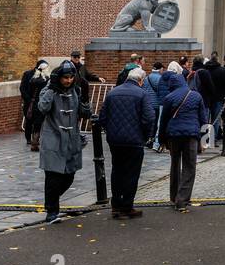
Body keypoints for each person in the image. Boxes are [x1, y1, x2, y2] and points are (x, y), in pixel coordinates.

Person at [36, 60, 91, 223]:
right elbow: (43, 108)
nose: (68, 81)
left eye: (71, 77)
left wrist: (86, 100)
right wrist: (52, 90)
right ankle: (52, 212)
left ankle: (50, 201)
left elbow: (84, 113)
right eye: (65, 77)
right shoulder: (48, 89)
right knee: (53, 177)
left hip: (71, 140)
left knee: (69, 175)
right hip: (53, 139)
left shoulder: (76, 91)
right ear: (58, 77)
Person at [98, 66, 156, 218]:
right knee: (131, 173)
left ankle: (116, 205)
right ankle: (127, 206)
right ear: (141, 80)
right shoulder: (142, 94)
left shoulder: (112, 93)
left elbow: (102, 117)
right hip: (134, 141)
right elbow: (149, 118)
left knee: (117, 171)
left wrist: (111, 130)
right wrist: (146, 135)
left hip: (115, 141)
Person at [157, 68, 211, 212]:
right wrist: (205, 140)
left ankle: (174, 196)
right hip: (191, 136)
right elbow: (203, 119)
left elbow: (163, 121)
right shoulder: (196, 96)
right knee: (189, 166)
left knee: (175, 164)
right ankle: (182, 199)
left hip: (173, 136)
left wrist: (162, 139)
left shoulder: (169, 98)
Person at [19, 59, 49, 151]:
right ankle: (32, 139)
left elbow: (22, 88)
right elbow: (23, 88)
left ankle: (32, 140)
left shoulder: (33, 76)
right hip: (33, 102)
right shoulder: (43, 78)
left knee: (32, 121)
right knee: (33, 122)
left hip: (33, 102)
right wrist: (28, 100)